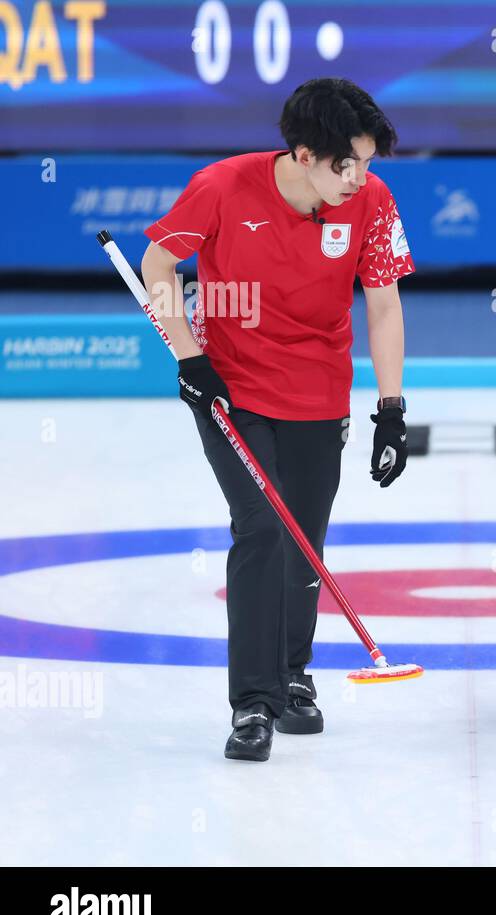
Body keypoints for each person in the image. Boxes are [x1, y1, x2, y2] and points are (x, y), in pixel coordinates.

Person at [141, 78, 415, 761]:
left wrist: (391, 408)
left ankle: (295, 675)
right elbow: (158, 263)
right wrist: (189, 357)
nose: (360, 177)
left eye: (368, 162)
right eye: (345, 164)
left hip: (319, 393)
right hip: (230, 390)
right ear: (301, 154)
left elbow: (382, 304)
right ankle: (253, 703)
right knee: (262, 526)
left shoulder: (372, 202)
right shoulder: (222, 187)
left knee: (303, 540)